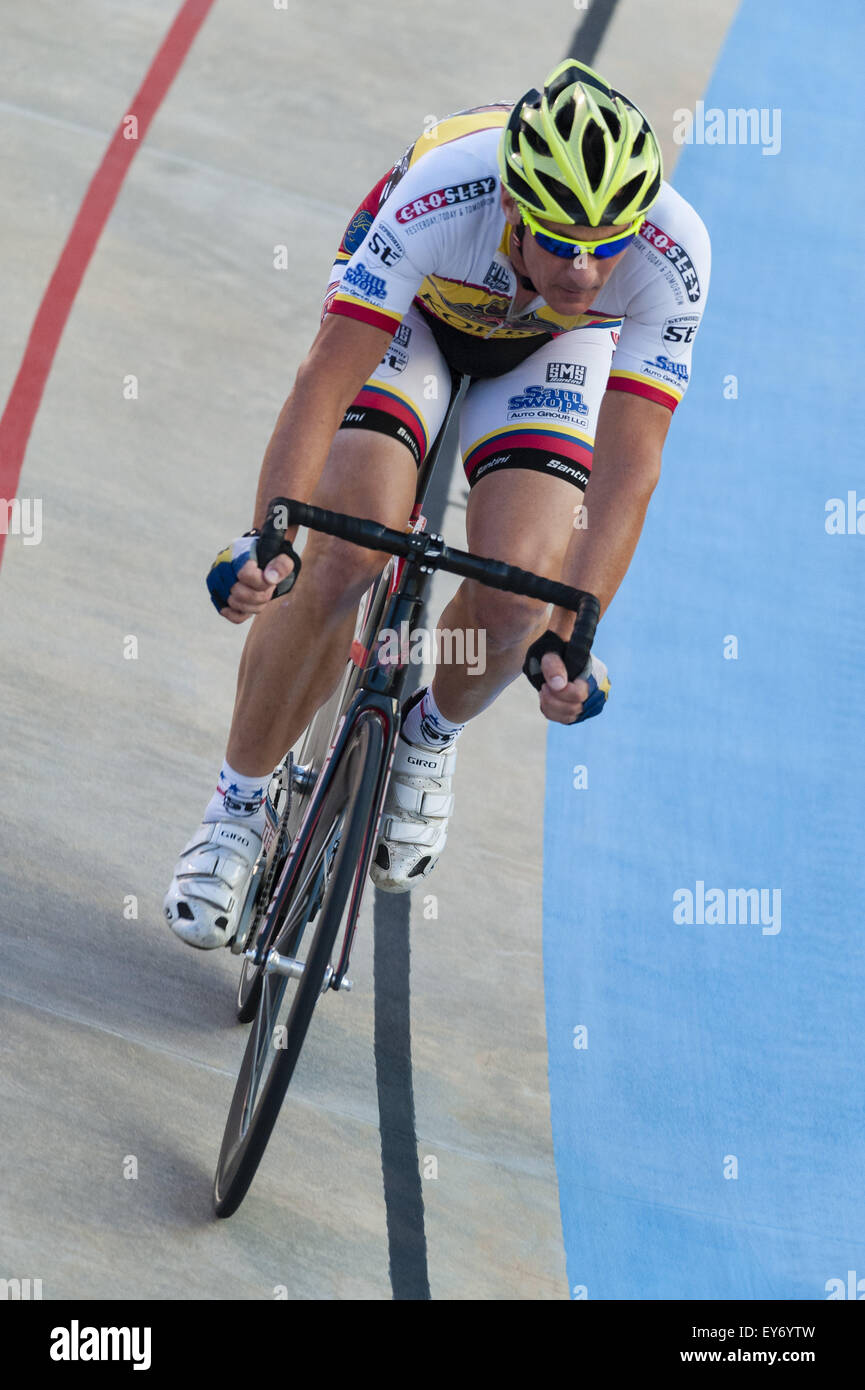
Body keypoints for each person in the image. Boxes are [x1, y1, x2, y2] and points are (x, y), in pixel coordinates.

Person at [164, 59, 710, 949]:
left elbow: (629, 464)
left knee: (523, 590)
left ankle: (426, 736)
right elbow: (325, 378)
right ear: (511, 211)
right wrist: (270, 535)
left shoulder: (670, 255)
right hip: (416, 318)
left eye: (606, 242)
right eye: (560, 239)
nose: (583, 267)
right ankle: (237, 805)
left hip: (548, 355)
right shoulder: (442, 193)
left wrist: (577, 629)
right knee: (346, 549)